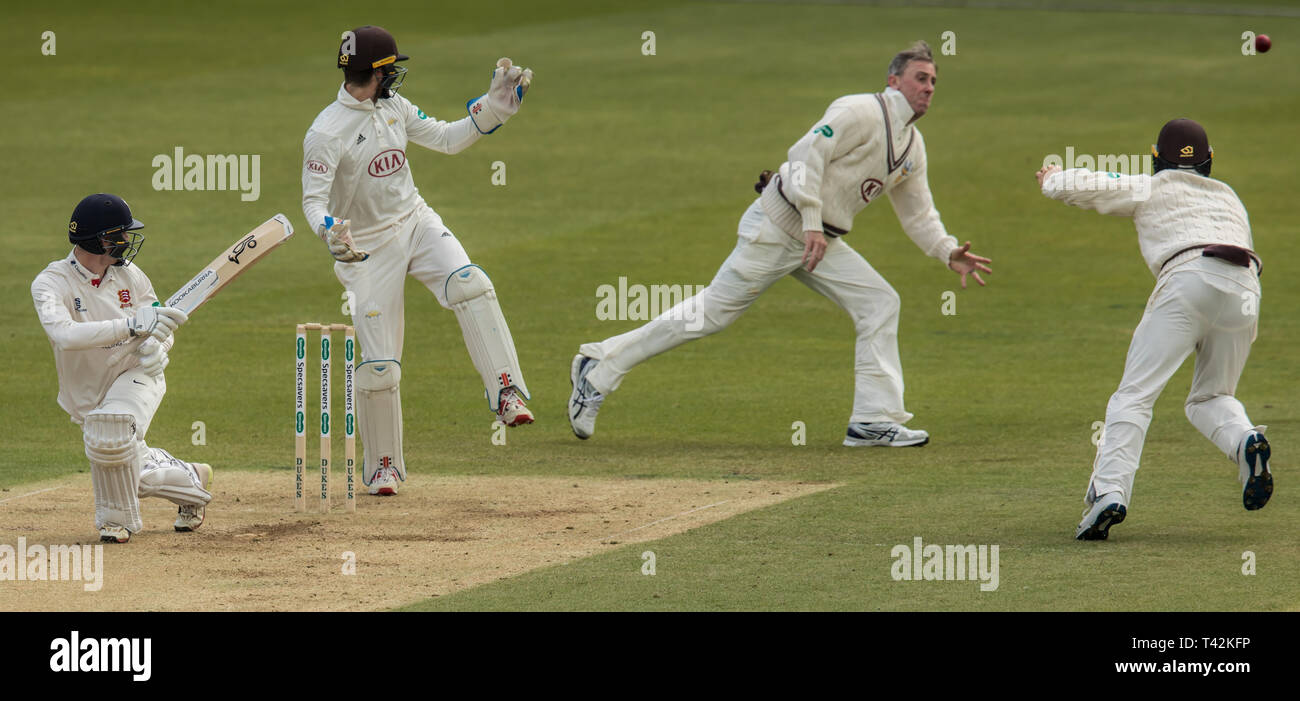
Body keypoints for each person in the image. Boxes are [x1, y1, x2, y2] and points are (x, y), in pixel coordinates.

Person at [567, 41, 991, 447]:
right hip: (777, 227)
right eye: (920, 78)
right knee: (711, 314)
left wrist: (946, 250)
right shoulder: (860, 110)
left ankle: (873, 420)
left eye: (934, 81)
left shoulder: (913, 146)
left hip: (817, 242)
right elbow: (807, 152)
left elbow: (918, 213)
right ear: (894, 81)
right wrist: (809, 219)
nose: (929, 88)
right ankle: (600, 368)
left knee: (879, 302)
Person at [302, 26, 534, 497]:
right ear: (375, 72)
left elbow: (448, 138)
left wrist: (495, 110)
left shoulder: (394, 107)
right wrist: (331, 232)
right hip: (366, 249)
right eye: (391, 68)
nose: (397, 75)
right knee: (380, 367)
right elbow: (312, 201)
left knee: (470, 284)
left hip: (415, 221)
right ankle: (384, 464)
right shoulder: (325, 132)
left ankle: (506, 390)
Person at [1037, 118, 1272, 541]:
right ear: (1210, 161)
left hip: (1188, 277)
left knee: (1135, 395)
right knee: (1213, 396)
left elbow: (1092, 184)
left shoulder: (1152, 185)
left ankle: (1109, 493)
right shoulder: (1230, 197)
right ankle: (1246, 440)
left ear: (1154, 158)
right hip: (1245, 288)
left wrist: (1053, 179)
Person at [31, 194, 213, 543]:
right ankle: (191, 479)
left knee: (111, 432)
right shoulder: (50, 282)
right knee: (131, 468)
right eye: (120, 234)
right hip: (86, 389)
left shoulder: (131, 276)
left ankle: (115, 524)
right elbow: (63, 335)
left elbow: (160, 325)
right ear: (98, 240)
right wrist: (129, 327)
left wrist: (157, 349)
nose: (127, 241)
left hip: (135, 373)